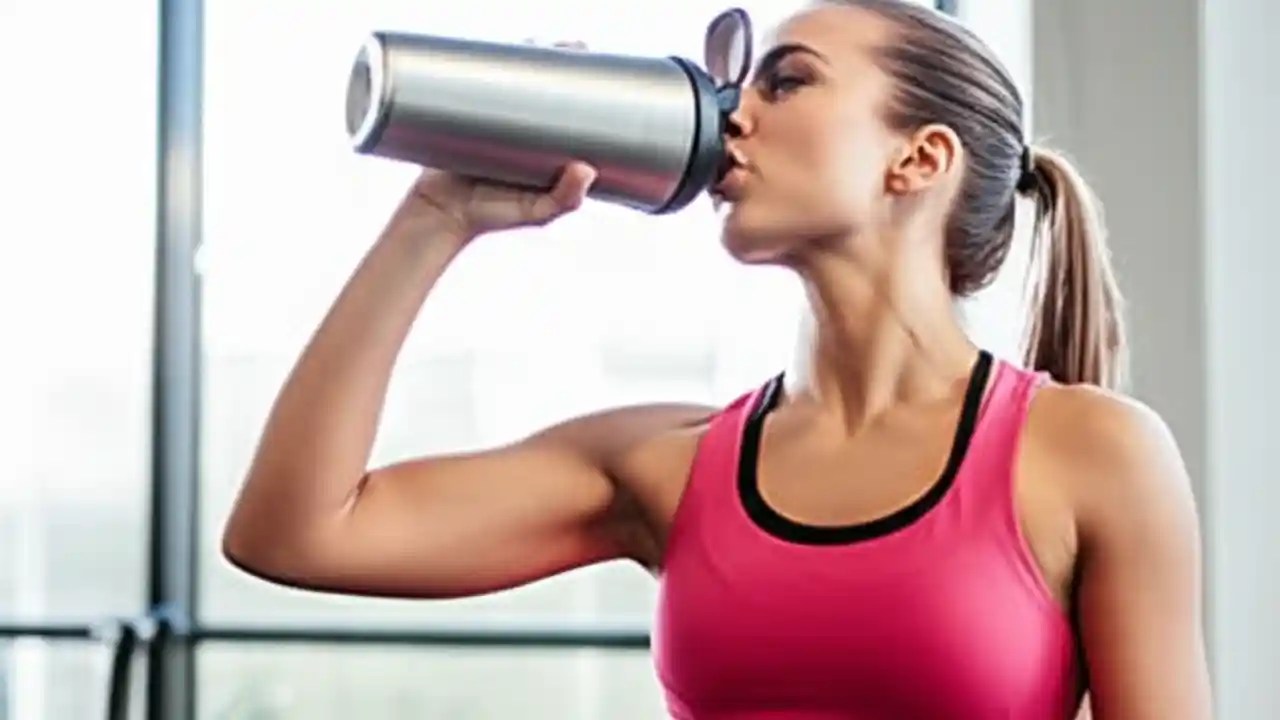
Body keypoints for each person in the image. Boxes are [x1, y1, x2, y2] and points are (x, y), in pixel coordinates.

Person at [221, 1, 1213, 718]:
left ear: (917, 159)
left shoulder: (1089, 453)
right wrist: (432, 219)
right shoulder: (670, 464)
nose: (732, 113)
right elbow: (295, 534)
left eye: (786, 81)